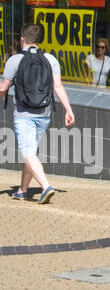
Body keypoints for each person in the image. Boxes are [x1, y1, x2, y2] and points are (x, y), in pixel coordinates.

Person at [0, 23, 76, 204]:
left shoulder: (15, 60)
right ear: (38, 40)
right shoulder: (50, 59)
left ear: (21, 40)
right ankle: (22, 190)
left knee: (28, 153)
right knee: (31, 152)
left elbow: (3, 89)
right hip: (44, 114)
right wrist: (68, 109)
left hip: (24, 114)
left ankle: (45, 187)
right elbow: (57, 87)